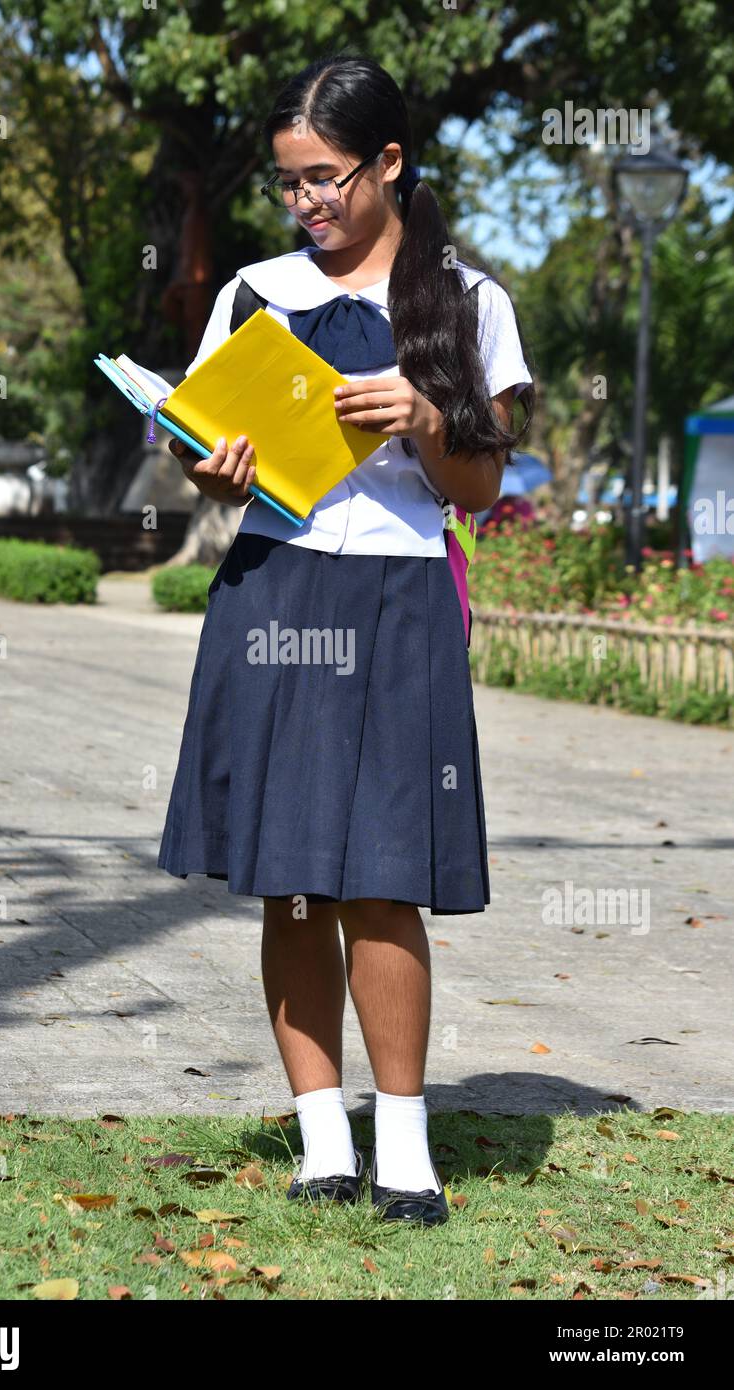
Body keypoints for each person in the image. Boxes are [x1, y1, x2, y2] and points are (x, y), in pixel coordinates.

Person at [158, 52, 534, 1224]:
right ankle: (323, 1137)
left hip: (398, 600)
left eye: (325, 178)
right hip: (272, 593)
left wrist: (424, 417)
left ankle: (405, 1143)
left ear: (387, 162)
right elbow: (201, 447)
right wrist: (205, 460)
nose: (306, 203)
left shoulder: (466, 300)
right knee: (293, 886)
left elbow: (478, 487)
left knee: (382, 883)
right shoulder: (255, 293)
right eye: (288, 184)